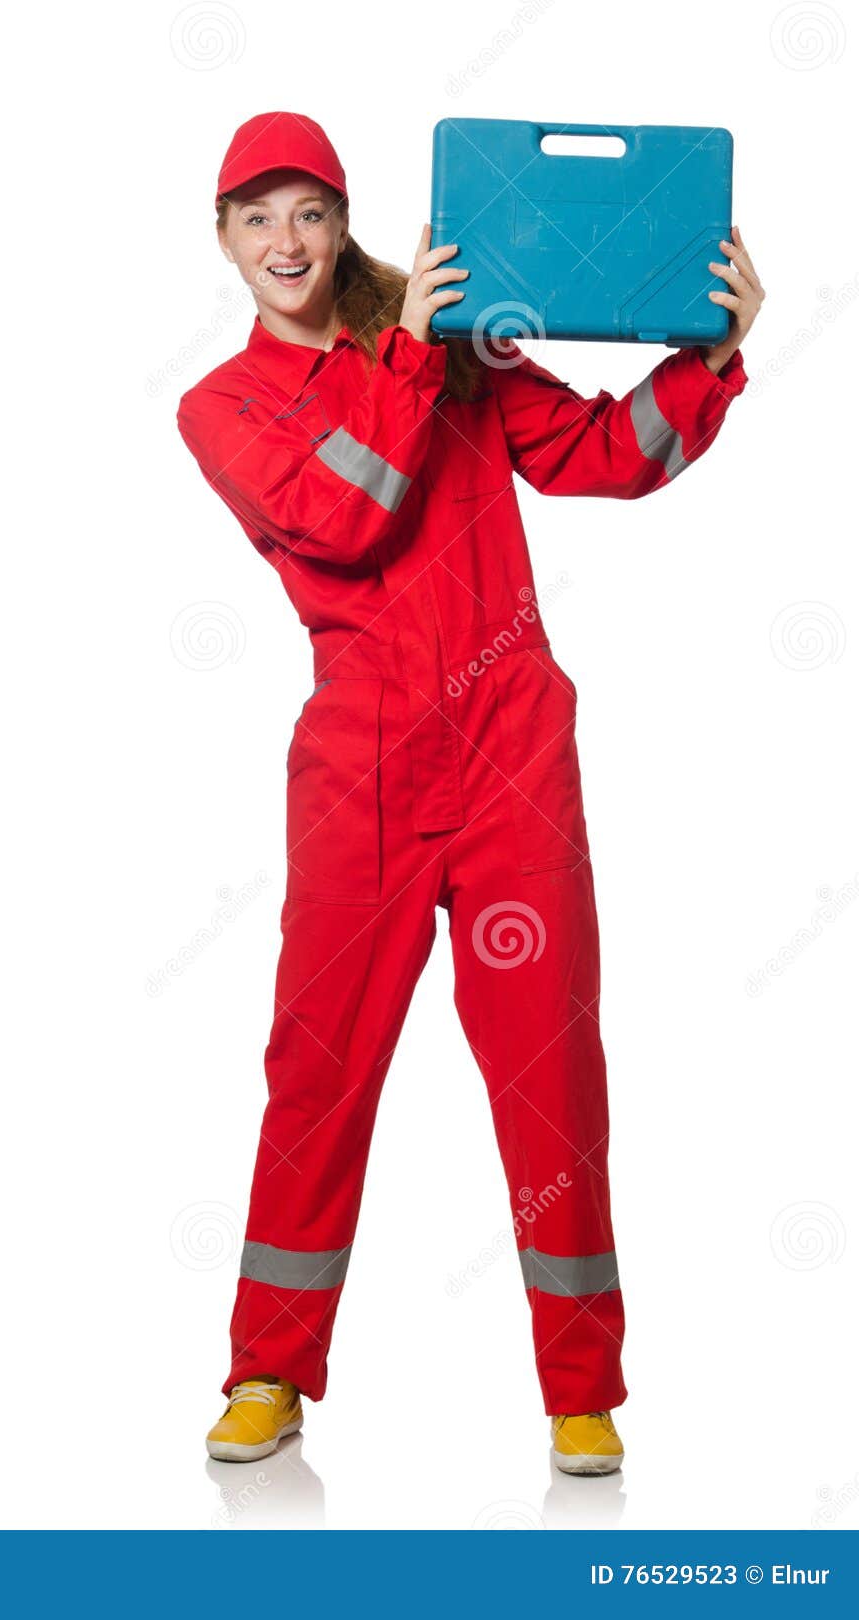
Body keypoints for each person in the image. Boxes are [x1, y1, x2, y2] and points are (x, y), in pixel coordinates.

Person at [177, 112, 760, 1472]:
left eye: (308, 212)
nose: (285, 241)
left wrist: (710, 356)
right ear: (222, 240)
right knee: (317, 1071)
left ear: (345, 222)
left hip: (512, 755)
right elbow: (343, 517)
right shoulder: (224, 404)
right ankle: (269, 1372)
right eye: (256, 218)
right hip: (359, 777)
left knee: (552, 1069)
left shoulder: (460, 347)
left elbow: (606, 459)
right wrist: (410, 358)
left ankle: (582, 1391)